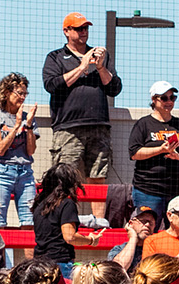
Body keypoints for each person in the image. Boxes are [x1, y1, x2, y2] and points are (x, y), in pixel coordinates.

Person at [42, 13, 121, 224]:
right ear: (66, 31)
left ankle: (99, 221)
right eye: (78, 28)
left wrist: (101, 66)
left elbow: (115, 88)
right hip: (68, 127)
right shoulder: (56, 57)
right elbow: (52, 85)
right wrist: (82, 67)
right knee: (64, 176)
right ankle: (64, 219)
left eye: (86, 28)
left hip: (98, 125)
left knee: (98, 175)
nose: (83, 32)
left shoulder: (100, 57)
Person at [128, 81, 179, 217]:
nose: (169, 102)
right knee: (146, 230)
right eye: (164, 98)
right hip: (148, 190)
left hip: (177, 190)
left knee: (178, 230)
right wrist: (160, 149)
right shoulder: (144, 124)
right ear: (154, 100)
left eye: (172, 98)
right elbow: (134, 153)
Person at [31, 161, 104, 271]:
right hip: (60, 264)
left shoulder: (40, 205)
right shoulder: (67, 204)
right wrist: (91, 240)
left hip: (39, 264)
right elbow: (70, 237)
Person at [0, 73, 36, 228]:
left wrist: (28, 126)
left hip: (25, 173)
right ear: (6, 92)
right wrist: (16, 126)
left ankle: (31, 254)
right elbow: (0, 149)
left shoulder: (28, 118)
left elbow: (31, 150)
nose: (23, 97)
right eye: (19, 93)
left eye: (25, 93)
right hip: (2, 171)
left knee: (30, 222)